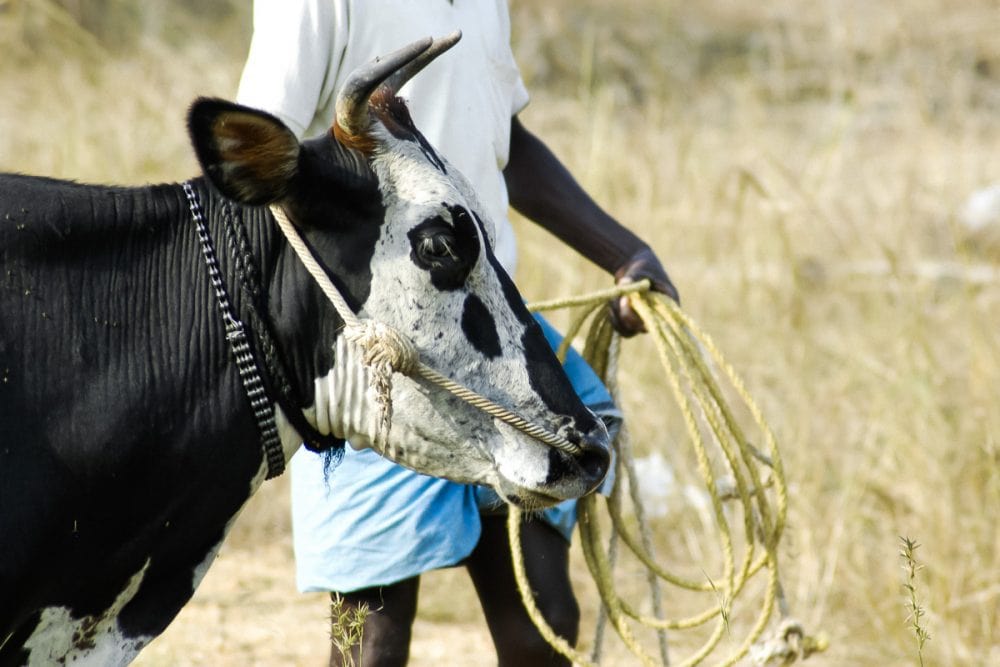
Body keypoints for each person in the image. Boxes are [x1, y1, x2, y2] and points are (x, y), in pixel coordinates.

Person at [236, 2, 678, 665]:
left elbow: (509, 141)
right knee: (370, 640)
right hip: (382, 361)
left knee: (543, 624)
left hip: (495, 346)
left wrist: (624, 251)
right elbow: (258, 157)